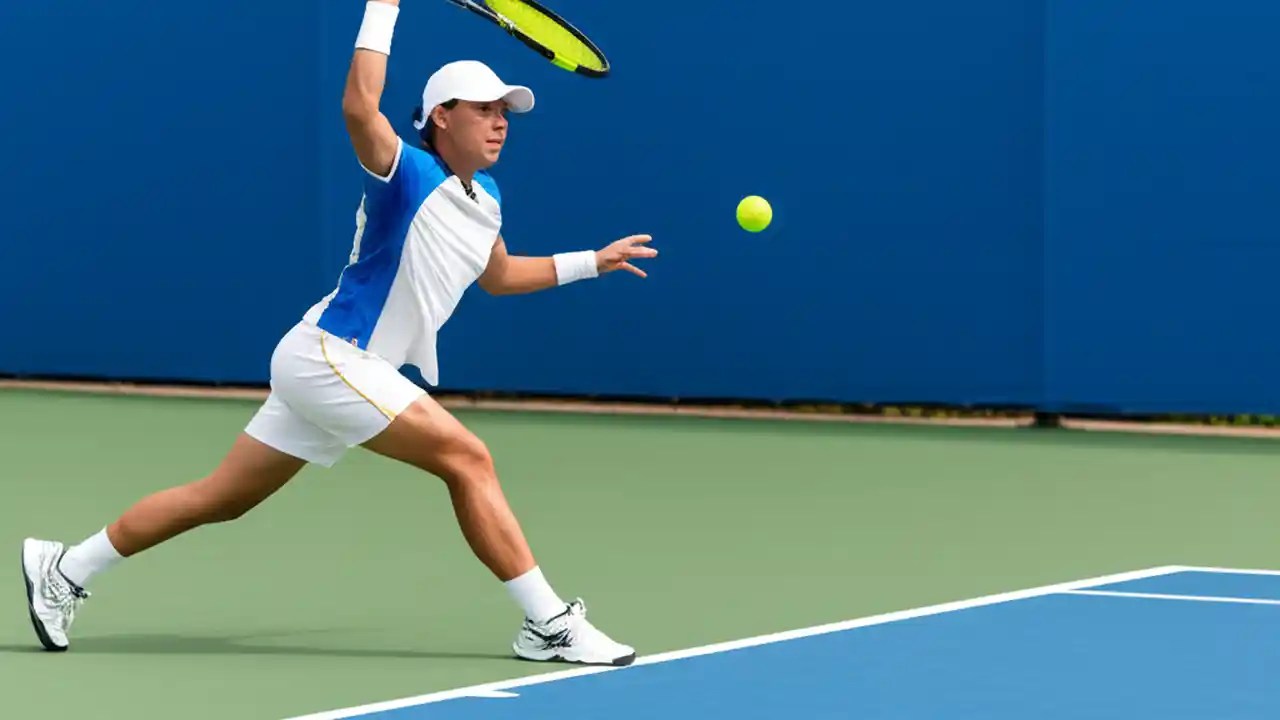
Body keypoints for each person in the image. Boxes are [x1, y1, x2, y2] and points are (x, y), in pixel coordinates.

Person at [20, 0, 654, 667]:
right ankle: (548, 623)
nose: (499, 123)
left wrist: (593, 261)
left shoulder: (486, 197)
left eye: (505, 113)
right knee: (467, 458)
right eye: (484, 109)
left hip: (338, 368)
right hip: (333, 356)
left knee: (220, 499)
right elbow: (359, 107)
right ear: (442, 116)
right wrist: (383, 3)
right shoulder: (406, 171)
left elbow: (497, 275)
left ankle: (64, 567)